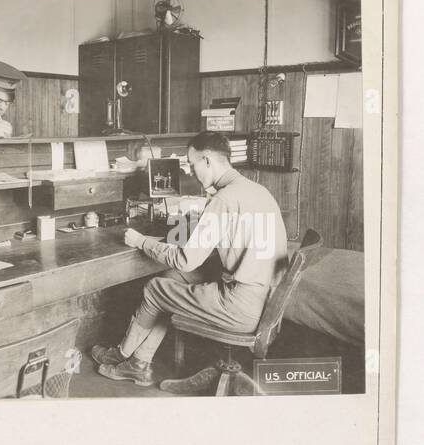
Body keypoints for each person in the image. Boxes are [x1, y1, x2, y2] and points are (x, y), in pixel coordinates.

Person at [90, 131, 288, 392]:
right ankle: (136, 361)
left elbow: (185, 260)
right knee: (171, 279)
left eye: (193, 164)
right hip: (266, 306)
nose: (192, 172)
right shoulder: (258, 192)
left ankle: (126, 357)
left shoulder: (224, 199)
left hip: (240, 308)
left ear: (207, 160)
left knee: (155, 288)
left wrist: (141, 241)